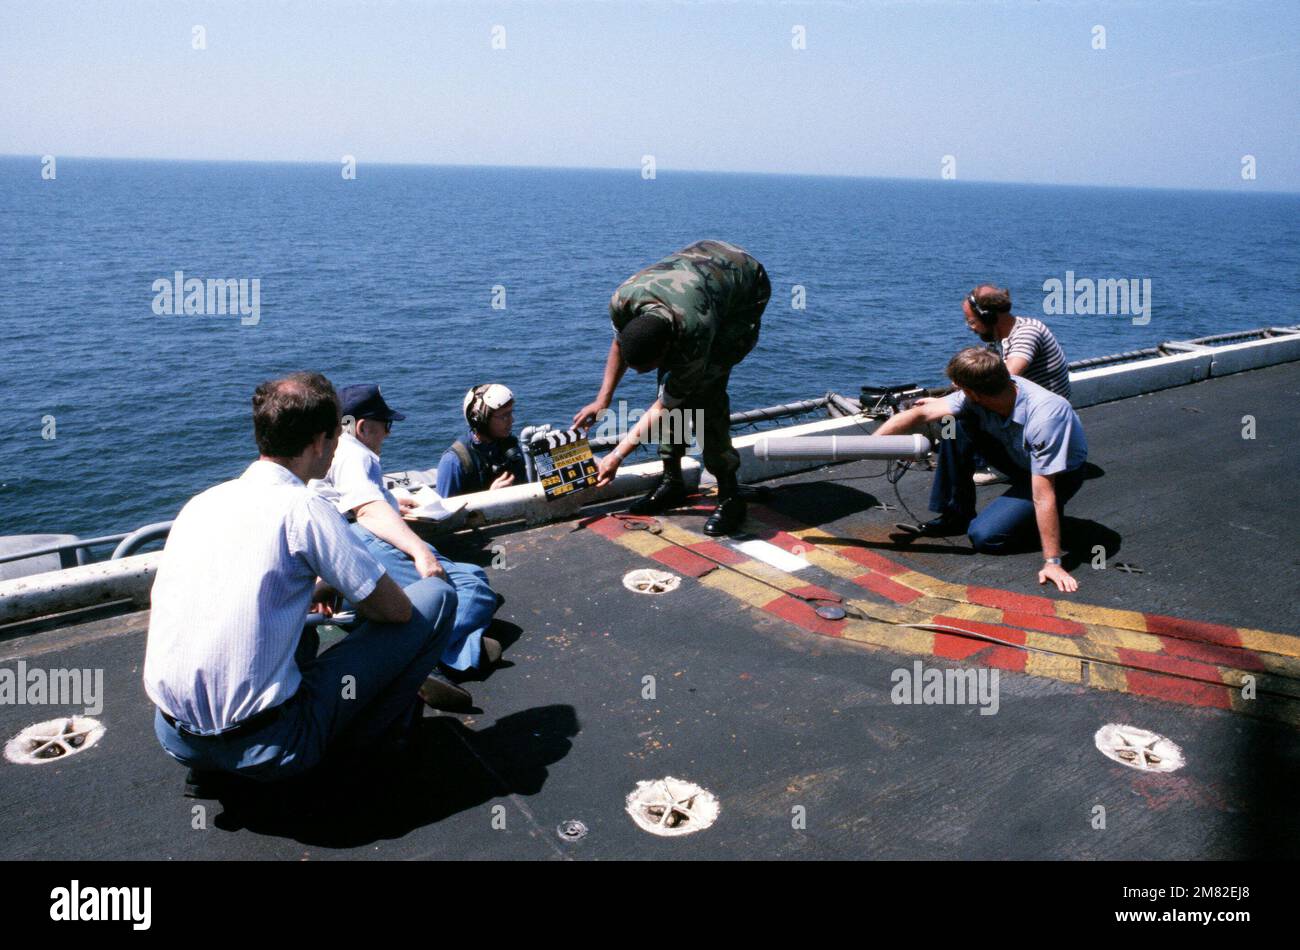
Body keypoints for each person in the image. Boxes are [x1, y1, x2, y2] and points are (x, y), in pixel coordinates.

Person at [143, 372, 464, 795]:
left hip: (175, 738)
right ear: (319, 442)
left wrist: (314, 589)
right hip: (272, 747)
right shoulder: (304, 508)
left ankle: (215, 765)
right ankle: (368, 743)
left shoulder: (200, 505)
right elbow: (394, 611)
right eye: (336, 435)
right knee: (436, 599)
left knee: (294, 628)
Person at [573, 239, 770, 536]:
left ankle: (730, 496)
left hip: (744, 290)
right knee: (674, 390)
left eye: (646, 366)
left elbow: (665, 406)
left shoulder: (694, 331)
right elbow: (620, 342)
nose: (638, 373)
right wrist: (603, 399)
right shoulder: (623, 302)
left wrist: (616, 457)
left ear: (668, 346)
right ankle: (673, 481)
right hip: (698, 270)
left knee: (705, 395)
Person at [314, 384, 503, 674]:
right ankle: (413, 656)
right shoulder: (354, 453)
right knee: (475, 591)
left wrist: (390, 500)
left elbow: (348, 500)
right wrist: (420, 553)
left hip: (341, 548)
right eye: (385, 425)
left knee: (474, 573)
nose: (388, 433)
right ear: (362, 427)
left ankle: (454, 649)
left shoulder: (332, 450)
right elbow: (365, 511)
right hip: (360, 538)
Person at [874, 348, 1088, 592]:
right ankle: (955, 515)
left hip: (1058, 476)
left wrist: (1053, 562)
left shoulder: (1046, 416)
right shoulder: (989, 391)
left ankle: (1045, 526)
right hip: (1016, 456)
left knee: (985, 537)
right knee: (952, 424)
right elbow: (920, 413)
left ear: (972, 392)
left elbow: (1043, 493)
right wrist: (868, 446)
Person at [961, 284, 1072, 485]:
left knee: (963, 416)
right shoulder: (999, 340)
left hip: (1043, 420)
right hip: (1028, 410)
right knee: (951, 420)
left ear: (989, 317)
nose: (970, 327)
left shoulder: (1027, 332)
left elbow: (1006, 375)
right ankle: (952, 445)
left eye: (972, 321)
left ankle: (994, 464)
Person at [435, 384, 527, 498]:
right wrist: (490, 497)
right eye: (504, 416)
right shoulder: (454, 462)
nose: (512, 420)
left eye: (511, 413)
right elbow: (445, 513)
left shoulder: (510, 448)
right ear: (480, 420)